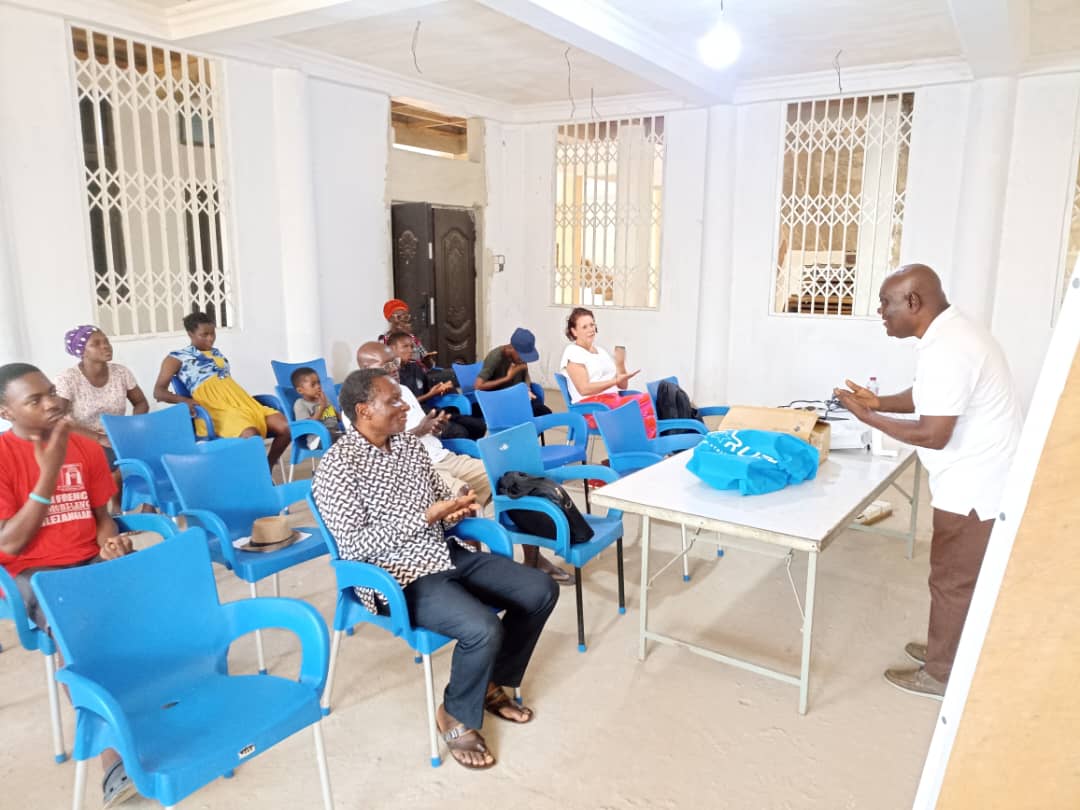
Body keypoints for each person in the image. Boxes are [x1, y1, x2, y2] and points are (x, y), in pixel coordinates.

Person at [311, 368, 558, 770]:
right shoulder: (338, 467)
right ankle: (455, 713)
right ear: (363, 411)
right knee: (482, 628)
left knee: (539, 590)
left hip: (445, 551)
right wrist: (426, 517)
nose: (404, 405)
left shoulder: (408, 447)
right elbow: (353, 545)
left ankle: (491, 682)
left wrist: (459, 499)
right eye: (392, 401)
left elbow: (439, 493)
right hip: (396, 574)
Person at [833, 264, 1023, 700]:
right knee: (954, 577)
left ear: (913, 303)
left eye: (886, 304)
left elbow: (935, 433)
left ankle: (942, 673)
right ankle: (948, 648)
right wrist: (879, 400)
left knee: (952, 579)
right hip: (978, 477)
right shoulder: (951, 336)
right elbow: (929, 395)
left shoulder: (950, 347)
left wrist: (870, 418)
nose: (881, 313)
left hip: (975, 487)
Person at [0, 363, 138, 807]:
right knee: (81, 633)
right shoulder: (3, 456)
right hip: (35, 570)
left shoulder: (84, 447)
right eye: (33, 400)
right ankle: (113, 759)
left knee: (158, 600)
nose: (51, 403)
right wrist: (49, 468)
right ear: (7, 411)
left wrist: (110, 542)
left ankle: (156, 705)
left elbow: (101, 518)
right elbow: (11, 540)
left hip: (90, 558)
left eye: (51, 393)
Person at [355, 341, 491, 504]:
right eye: (386, 366)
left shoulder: (403, 390)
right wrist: (420, 430)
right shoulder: (359, 407)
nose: (394, 368)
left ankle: (492, 523)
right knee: (464, 495)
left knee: (499, 475)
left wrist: (435, 428)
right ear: (366, 371)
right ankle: (466, 525)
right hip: (412, 469)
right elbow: (374, 452)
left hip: (443, 457)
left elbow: (424, 430)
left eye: (395, 362)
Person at [152, 312, 291, 469]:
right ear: (190, 334)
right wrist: (184, 400)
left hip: (243, 402)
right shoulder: (176, 357)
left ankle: (267, 467)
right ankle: (258, 476)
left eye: (212, 333)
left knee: (286, 427)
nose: (210, 338)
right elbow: (158, 392)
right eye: (204, 335)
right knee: (251, 436)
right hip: (215, 408)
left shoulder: (217, 353)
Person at [54, 325, 150, 469]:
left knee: (152, 453)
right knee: (119, 462)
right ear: (82, 352)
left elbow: (141, 402)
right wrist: (99, 438)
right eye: (96, 344)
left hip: (116, 436)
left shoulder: (121, 372)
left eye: (106, 341)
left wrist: (132, 426)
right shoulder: (67, 379)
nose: (105, 346)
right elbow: (57, 419)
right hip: (82, 439)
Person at [559, 307, 657, 437]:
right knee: (647, 403)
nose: (590, 329)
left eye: (592, 324)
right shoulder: (573, 352)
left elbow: (622, 386)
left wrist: (620, 364)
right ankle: (640, 449)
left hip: (612, 402)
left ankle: (642, 450)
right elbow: (584, 389)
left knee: (653, 404)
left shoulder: (601, 351)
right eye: (584, 327)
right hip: (592, 408)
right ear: (574, 331)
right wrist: (614, 381)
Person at [388, 331, 486, 441]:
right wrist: (431, 394)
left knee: (478, 425)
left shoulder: (415, 367)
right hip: (415, 417)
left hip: (430, 410)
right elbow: (407, 403)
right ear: (392, 349)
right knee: (459, 431)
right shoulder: (390, 375)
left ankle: (478, 451)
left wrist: (440, 389)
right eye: (405, 347)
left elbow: (426, 392)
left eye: (411, 346)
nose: (410, 350)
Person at [474, 327, 553, 418]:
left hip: (517, 396)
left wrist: (527, 389)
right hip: (500, 398)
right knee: (527, 415)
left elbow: (525, 375)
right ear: (511, 348)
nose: (523, 360)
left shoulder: (520, 359)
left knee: (544, 412)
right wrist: (507, 378)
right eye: (521, 356)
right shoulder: (495, 357)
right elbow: (478, 386)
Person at [290, 366, 343, 450]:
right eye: (313, 384)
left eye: (319, 383)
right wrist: (322, 407)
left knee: (355, 437)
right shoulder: (300, 404)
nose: (318, 386)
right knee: (343, 441)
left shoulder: (324, 399)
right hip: (317, 439)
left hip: (336, 433)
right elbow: (308, 426)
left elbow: (338, 417)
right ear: (300, 390)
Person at [378, 298, 436, 368]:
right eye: (399, 317)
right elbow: (381, 366)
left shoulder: (413, 338)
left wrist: (428, 361)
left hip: (415, 375)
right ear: (390, 319)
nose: (403, 320)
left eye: (405, 316)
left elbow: (426, 360)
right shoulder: (384, 340)